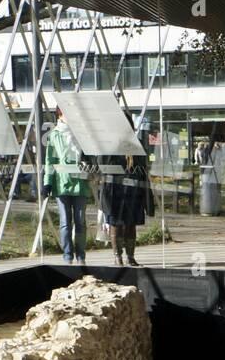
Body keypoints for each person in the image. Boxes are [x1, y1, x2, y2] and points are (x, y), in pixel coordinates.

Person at [43, 105, 90, 265]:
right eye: (65, 112)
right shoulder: (54, 135)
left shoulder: (81, 133)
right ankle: (68, 256)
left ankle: (81, 256)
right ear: (59, 114)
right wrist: (47, 182)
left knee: (80, 221)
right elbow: (50, 160)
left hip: (80, 182)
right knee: (65, 222)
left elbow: (90, 154)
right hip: (61, 182)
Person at [99, 148, 155, 267]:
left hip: (133, 189)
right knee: (116, 223)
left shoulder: (136, 146)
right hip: (115, 189)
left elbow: (142, 168)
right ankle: (117, 256)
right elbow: (103, 163)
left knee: (131, 224)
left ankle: (130, 257)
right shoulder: (111, 145)